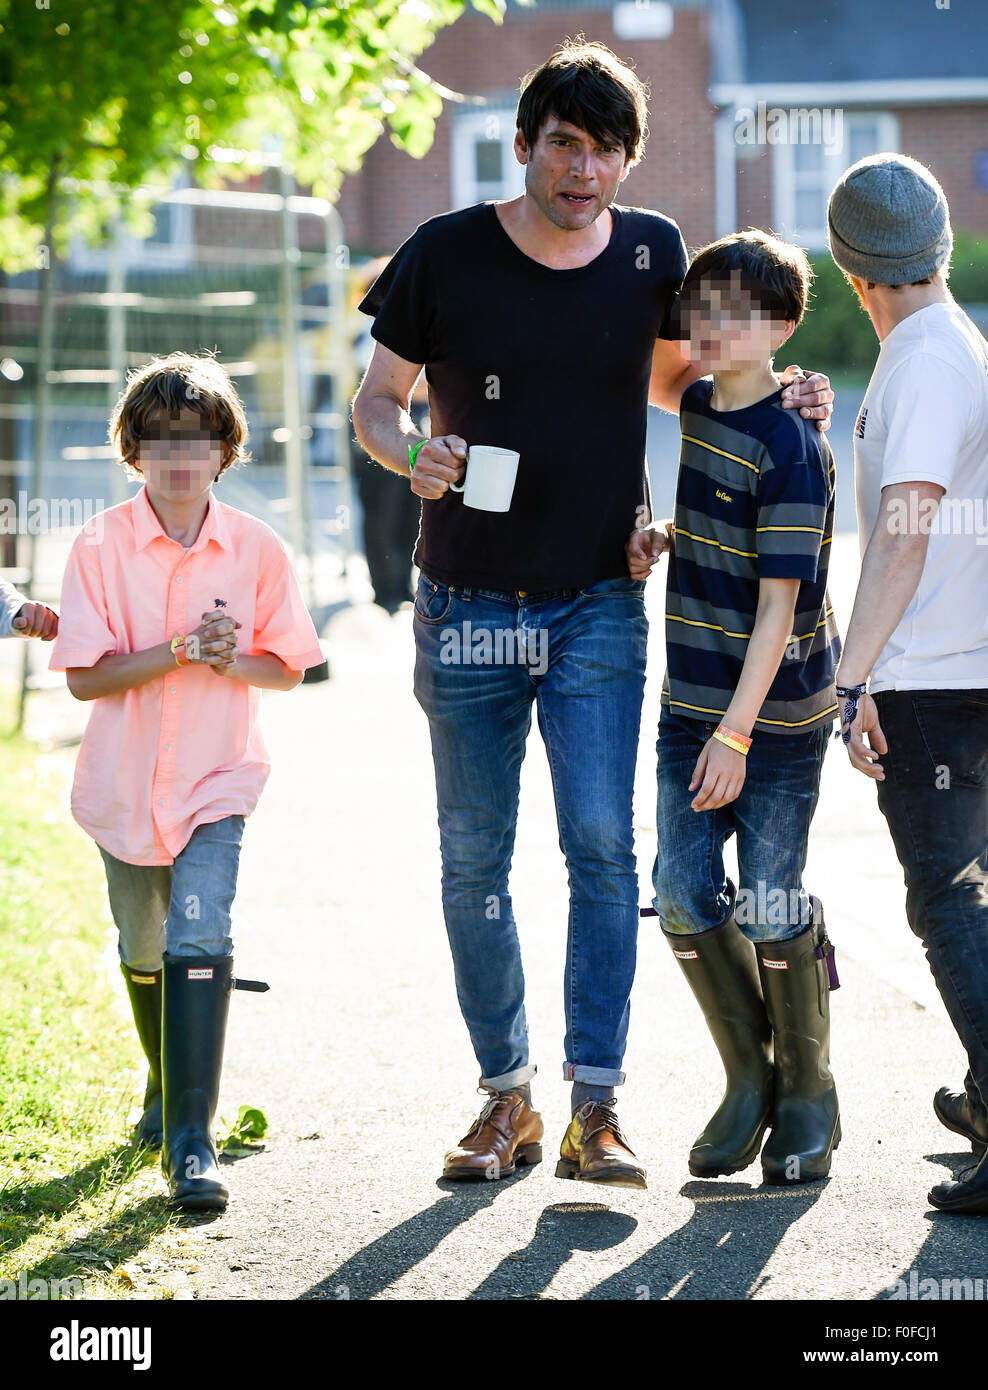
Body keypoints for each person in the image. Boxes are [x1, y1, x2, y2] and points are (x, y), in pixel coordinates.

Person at [352, 39, 833, 1189]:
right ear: (525, 146)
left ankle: (596, 1106)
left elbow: (686, 380)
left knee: (601, 854)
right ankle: (505, 1099)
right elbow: (376, 403)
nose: (585, 168)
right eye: (564, 143)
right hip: (463, 597)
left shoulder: (651, 252)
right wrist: (414, 455)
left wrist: (787, 387)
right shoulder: (444, 253)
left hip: (600, 605)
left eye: (607, 147)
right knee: (473, 859)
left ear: (626, 158)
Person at [48, 351, 324, 1212]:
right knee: (143, 946)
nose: (180, 456)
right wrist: (173, 653)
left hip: (216, 780)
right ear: (133, 450)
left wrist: (228, 656)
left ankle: (191, 1142)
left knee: (198, 931)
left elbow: (286, 668)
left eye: (198, 439)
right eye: (161, 440)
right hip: (123, 789)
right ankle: (166, 1088)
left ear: (224, 451)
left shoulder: (254, 547)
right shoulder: (98, 545)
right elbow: (84, 679)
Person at [627, 231, 842, 1185]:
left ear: (784, 328)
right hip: (691, 704)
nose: (708, 327)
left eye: (735, 313)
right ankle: (749, 1079)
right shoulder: (703, 403)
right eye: (700, 308)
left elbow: (780, 602)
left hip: (777, 718)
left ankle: (808, 1093)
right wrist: (670, 535)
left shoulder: (793, 444)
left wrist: (737, 735)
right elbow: (729, 530)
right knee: (679, 891)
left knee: (766, 897)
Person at [827, 154, 988, 1214]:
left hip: (935, 677)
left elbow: (904, 532)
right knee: (967, 894)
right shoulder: (946, 345)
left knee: (945, 897)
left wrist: (851, 679)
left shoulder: (925, 360)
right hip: (958, 665)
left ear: (850, 271)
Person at [350, 258, 424, 614]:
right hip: (377, 439)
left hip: (412, 429)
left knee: (410, 512)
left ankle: (402, 584)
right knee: (382, 513)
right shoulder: (371, 333)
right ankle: (384, 589)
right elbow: (393, 385)